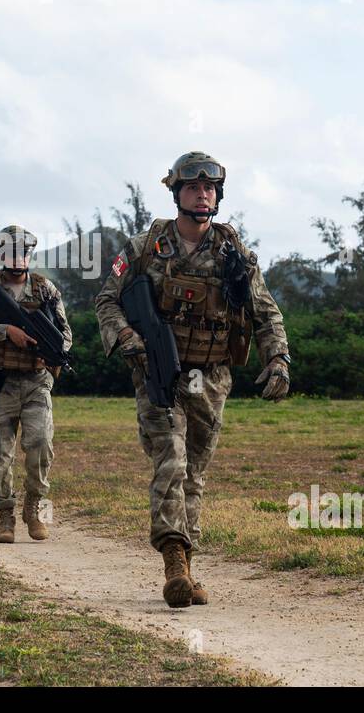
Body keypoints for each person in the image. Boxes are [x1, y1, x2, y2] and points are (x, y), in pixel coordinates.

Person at [93, 152, 290, 608]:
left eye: (210, 188)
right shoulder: (145, 248)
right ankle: (174, 562)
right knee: (172, 460)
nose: (202, 194)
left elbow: (265, 310)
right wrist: (124, 335)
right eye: (193, 188)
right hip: (159, 374)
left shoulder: (233, 252)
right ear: (176, 193)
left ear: (217, 195)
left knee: (194, 474)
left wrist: (277, 358)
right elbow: (107, 300)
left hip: (212, 377)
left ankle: (187, 560)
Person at [0, 225, 71, 543]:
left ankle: (35, 510)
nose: (16, 257)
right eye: (10, 251)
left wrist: (50, 350)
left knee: (41, 446)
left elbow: (65, 335)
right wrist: (5, 330)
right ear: (0, 253)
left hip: (37, 380)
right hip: (1, 381)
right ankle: (5, 517)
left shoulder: (45, 289)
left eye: (22, 251)